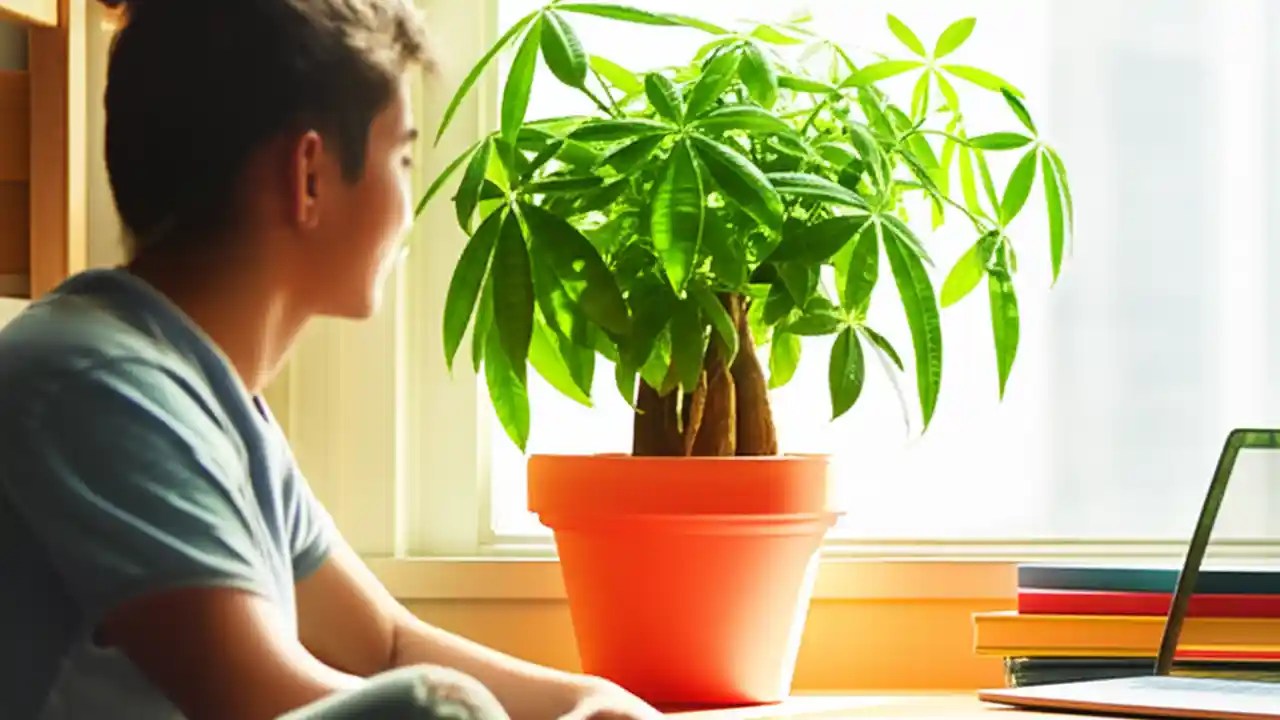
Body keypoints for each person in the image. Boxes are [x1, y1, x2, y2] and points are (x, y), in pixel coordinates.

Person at [0, 1, 662, 718]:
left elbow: (382, 644)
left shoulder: (206, 396)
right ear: (310, 174)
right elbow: (262, 701)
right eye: (403, 157)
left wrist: (596, 701)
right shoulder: (94, 386)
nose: (410, 204)